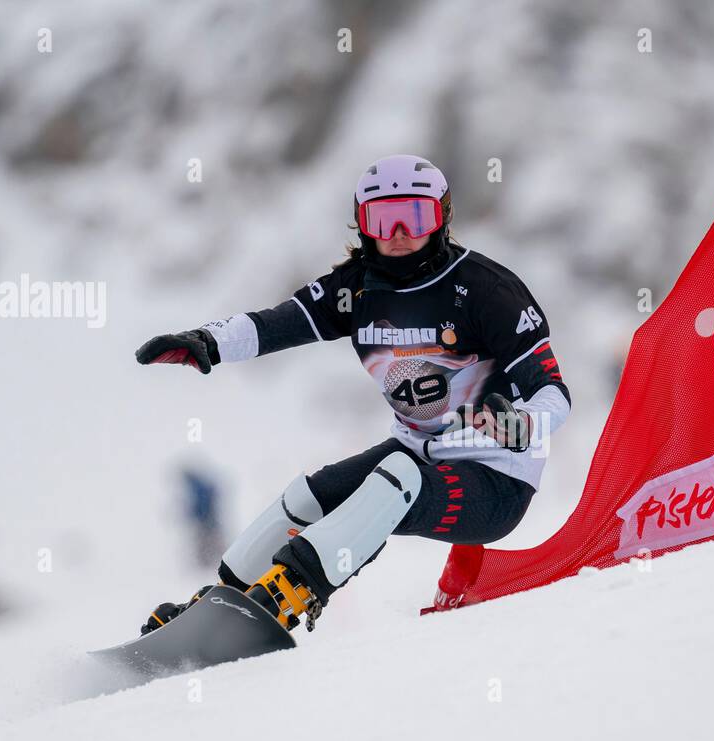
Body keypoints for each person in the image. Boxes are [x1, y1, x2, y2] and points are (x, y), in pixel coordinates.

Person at [134, 154, 570, 633]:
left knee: (398, 473)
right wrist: (208, 341)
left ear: (441, 219)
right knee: (308, 497)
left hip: (495, 477)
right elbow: (278, 323)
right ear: (363, 226)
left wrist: (521, 424)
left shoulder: (487, 291)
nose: (400, 232)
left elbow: (554, 393)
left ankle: (291, 593)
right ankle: (222, 602)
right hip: (418, 451)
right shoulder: (357, 287)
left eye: (415, 216)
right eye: (384, 219)